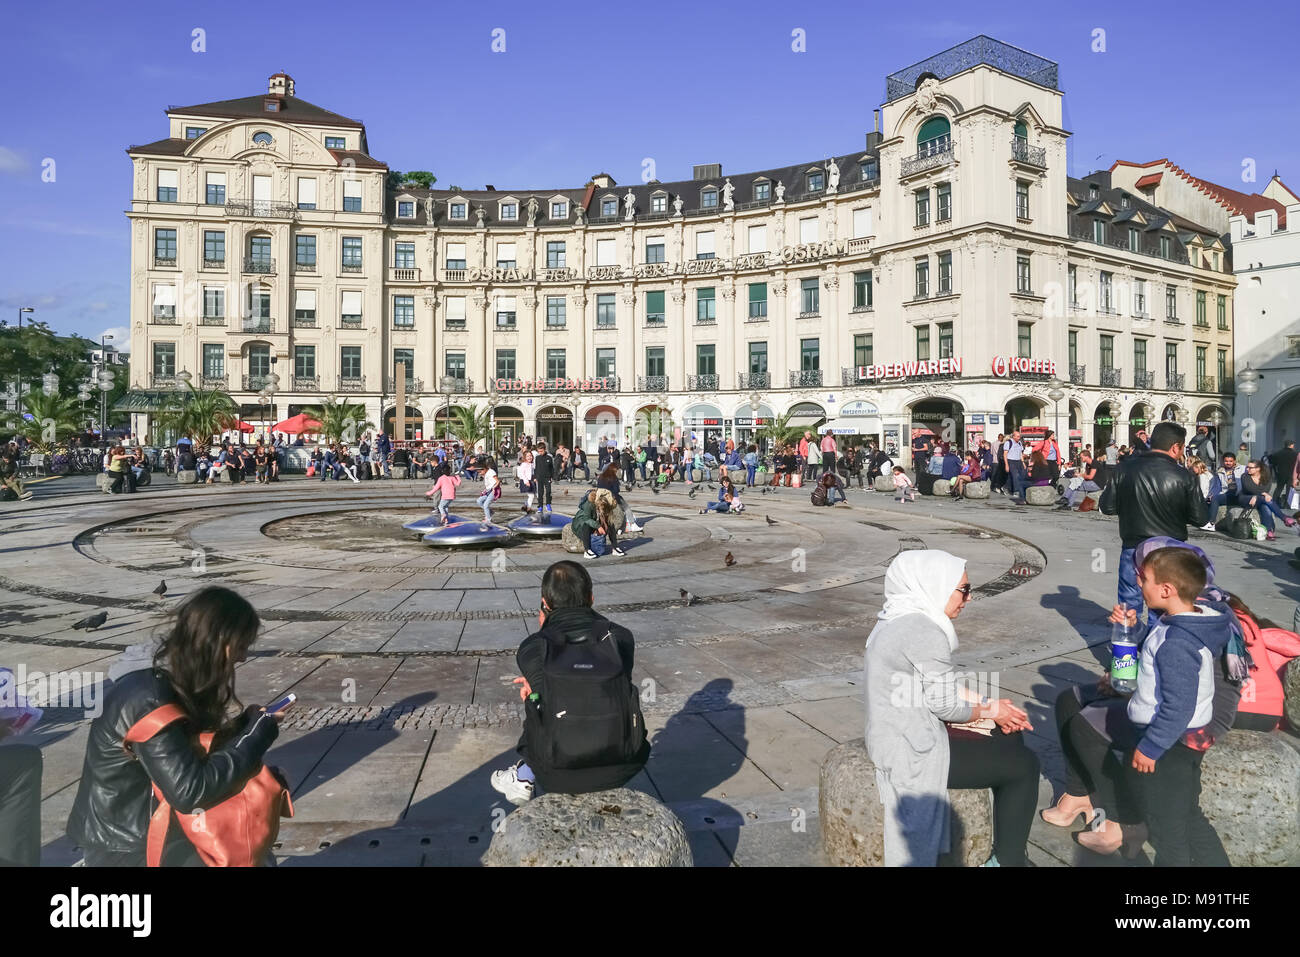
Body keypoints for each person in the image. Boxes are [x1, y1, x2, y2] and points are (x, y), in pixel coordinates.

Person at [65, 587, 283, 866]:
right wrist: (257, 735)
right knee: (246, 858)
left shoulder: (173, 679)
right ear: (219, 641)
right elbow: (190, 791)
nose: (242, 657)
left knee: (255, 848)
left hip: (159, 825)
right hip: (127, 846)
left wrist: (244, 729)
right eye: (241, 646)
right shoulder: (149, 700)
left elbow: (190, 753)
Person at [864, 550, 1038, 866]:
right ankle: (1010, 860)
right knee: (1024, 766)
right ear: (935, 586)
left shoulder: (899, 617)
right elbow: (945, 706)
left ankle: (1008, 856)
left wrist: (991, 706)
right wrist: (991, 712)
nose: (968, 599)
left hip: (897, 732)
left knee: (1009, 737)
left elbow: (937, 686)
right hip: (911, 749)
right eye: (964, 590)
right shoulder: (925, 631)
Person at [490, 561, 649, 804]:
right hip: (624, 764)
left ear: (545, 602)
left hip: (555, 774)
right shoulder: (621, 638)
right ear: (592, 597)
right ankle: (523, 774)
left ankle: (523, 776)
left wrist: (536, 685)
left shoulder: (531, 647)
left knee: (538, 704)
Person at [1110, 548, 1231, 866]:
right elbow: (1154, 651)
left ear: (1166, 590)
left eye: (1144, 578)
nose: (1138, 581)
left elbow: (1178, 705)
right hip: (1182, 741)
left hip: (1170, 746)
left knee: (1168, 829)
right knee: (1188, 816)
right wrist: (1132, 629)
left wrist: (1151, 747)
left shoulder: (1178, 643)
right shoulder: (1182, 623)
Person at [1099, 421, 1205, 625]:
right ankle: (1157, 651)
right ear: (1176, 447)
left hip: (1133, 546)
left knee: (1129, 606)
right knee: (1165, 604)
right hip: (1170, 550)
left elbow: (1107, 507)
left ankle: (1127, 651)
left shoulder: (1124, 469)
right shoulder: (1184, 476)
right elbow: (1200, 518)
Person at [1240, 460, 1295, 540]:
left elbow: (1266, 489)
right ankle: (1284, 518)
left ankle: (1269, 531)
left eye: (1250, 467)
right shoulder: (1245, 476)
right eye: (1247, 467)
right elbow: (1249, 489)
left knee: (1265, 506)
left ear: (1258, 468)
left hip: (1260, 499)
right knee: (1265, 499)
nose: (1247, 469)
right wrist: (1260, 495)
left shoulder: (1266, 477)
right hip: (1245, 498)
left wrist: (1259, 496)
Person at [572, 488, 625, 559]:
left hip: (596, 521)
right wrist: (598, 526)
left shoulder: (608, 503)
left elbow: (608, 519)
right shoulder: (589, 504)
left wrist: (604, 524)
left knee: (610, 522)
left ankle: (615, 548)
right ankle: (587, 550)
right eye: (602, 508)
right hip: (580, 524)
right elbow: (586, 519)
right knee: (586, 525)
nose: (604, 511)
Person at [1002, 430, 1027, 504]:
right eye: (1017, 436)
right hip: (1011, 461)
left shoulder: (1019, 443)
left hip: (1018, 461)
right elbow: (1005, 454)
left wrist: (1023, 463)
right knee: (1015, 475)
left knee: (1016, 476)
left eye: (1019, 436)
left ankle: (1005, 487)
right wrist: (1006, 465)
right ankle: (1016, 491)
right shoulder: (1008, 443)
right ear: (1013, 436)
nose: (1019, 438)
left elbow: (1021, 454)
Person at [476, 456, 500, 528]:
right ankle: (490, 512)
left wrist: (494, 488)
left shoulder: (491, 472)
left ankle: (488, 520)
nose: (480, 474)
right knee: (479, 501)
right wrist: (485, 490)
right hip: (488, 491)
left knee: (486, 505)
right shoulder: (486, 473)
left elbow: (497, 481)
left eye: (480, 472)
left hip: (493, 490)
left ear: (484, 469)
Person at [533, 442, 555, 513]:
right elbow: (536, 468)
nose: (540, 453)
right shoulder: (537, 458)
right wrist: (535, 477)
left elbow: (552, 468)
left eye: (541, 451)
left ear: (545, 449)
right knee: (540, 492)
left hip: (547, 477)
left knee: (548, 491)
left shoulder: (549, 457)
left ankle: (548, 504)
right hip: (539, 477)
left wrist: (552, 477)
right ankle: (540, 506)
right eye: (539, 451)